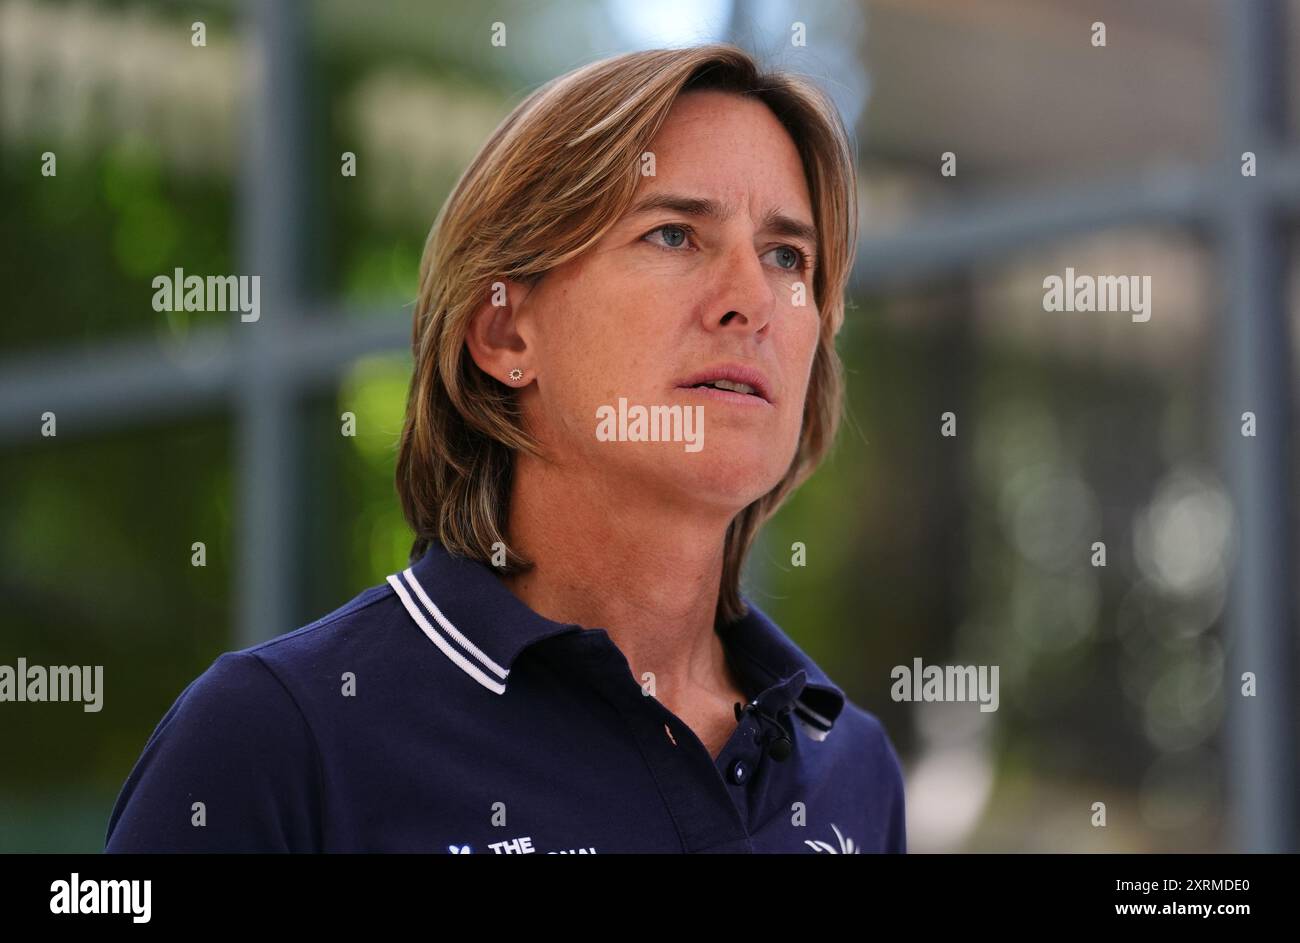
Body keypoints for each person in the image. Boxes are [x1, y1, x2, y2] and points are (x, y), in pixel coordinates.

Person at [104, 42, 905, 854]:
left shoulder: (851, 767)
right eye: (673, 235)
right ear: (502, 328)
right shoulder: (279, 736)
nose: (751, 300)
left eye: (787, 256)